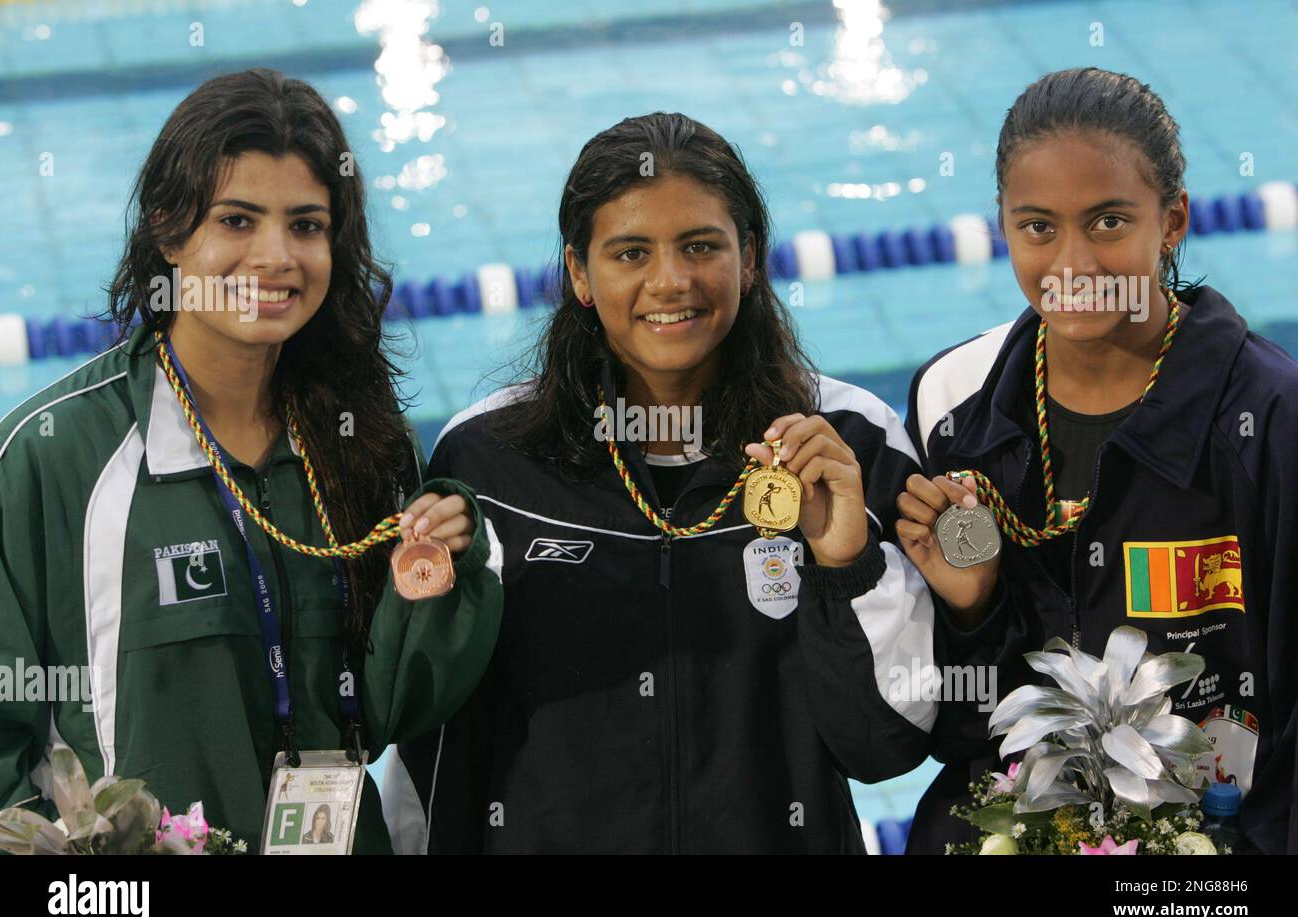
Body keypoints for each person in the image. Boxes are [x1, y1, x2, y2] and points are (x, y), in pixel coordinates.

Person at [383, 112, 936, 854]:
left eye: (701, 245)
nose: (670, 281)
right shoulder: (490, 460)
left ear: (749, 258)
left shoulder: (847, 440)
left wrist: (847, 563)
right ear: (580, 273)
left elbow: (889, 745)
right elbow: (435, 743)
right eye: (631, 252)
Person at [0, 69, 503, 854]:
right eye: (237, 220)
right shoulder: (55, 458)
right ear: (168, 231)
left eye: (306, 225)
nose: (275, 257)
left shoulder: (363, 442)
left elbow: (391, 709)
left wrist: (444, 571)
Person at [898, 68, 1298, 854]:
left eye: (1109, 222)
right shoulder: (956, 405)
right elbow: (939, 726)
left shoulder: (1269, 419)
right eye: (1039, 227)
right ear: (1005, 226)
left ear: (1172, 219)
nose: (1072, 262)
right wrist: (972, 612)